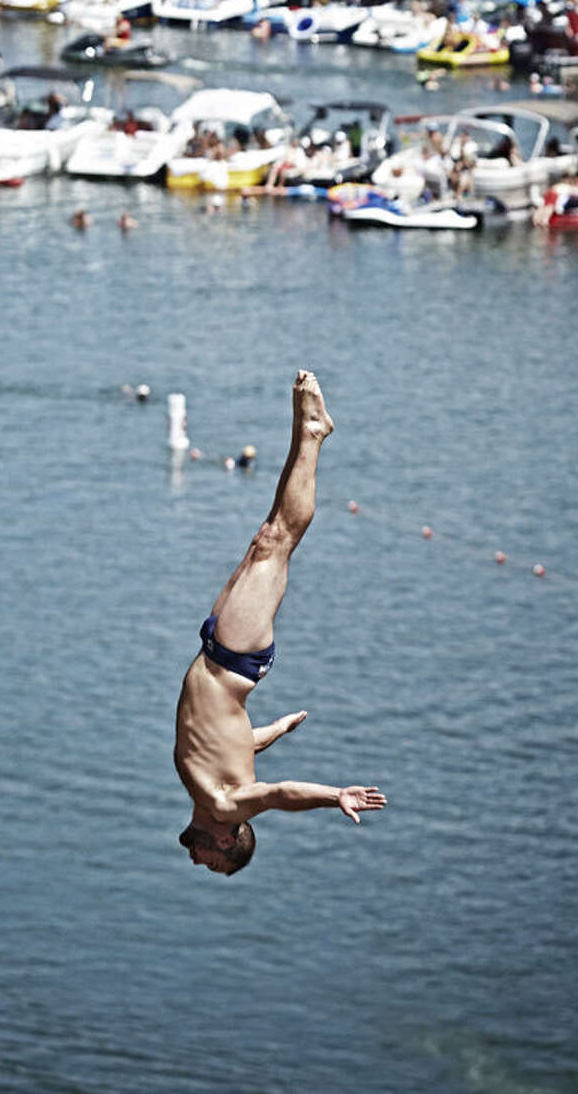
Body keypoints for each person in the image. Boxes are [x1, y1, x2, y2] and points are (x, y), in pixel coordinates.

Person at [174, 370, 385, 875]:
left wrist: (275, 731)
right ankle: (313, 433)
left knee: (265, 537)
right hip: (233, 658)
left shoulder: (213, 790)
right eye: (210, 863)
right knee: (278, 540)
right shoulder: (228, 807)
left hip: (217, 650)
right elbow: (278, 792)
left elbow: (233, 743)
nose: (196, 859)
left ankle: (306, 428)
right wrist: (335, 795)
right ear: (228, 842)